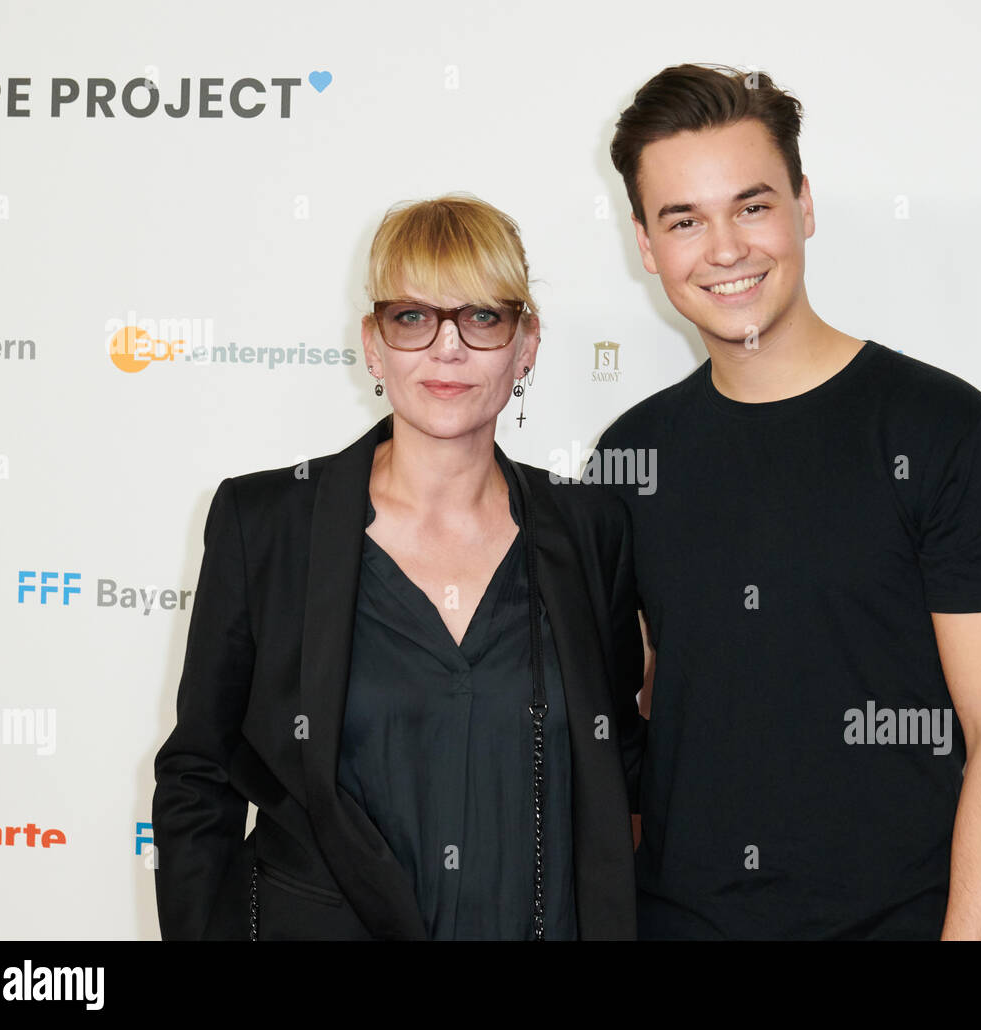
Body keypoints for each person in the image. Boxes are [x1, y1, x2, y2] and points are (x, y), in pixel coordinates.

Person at [597, 64, 981, 939]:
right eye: (684, 220)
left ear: (805, 206)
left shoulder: (949, 435)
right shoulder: (631, 456)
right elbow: (639, 715)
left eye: (753, 205)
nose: (725, 248)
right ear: (646, 246)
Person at [152, 193, 645, 940]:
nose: (447, 349)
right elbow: (198, 777)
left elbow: (618, 765)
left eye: (482, 317)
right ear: (373, 345)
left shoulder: (590, 531)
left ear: (527, 344)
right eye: (412, 317)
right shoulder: (268, 525)